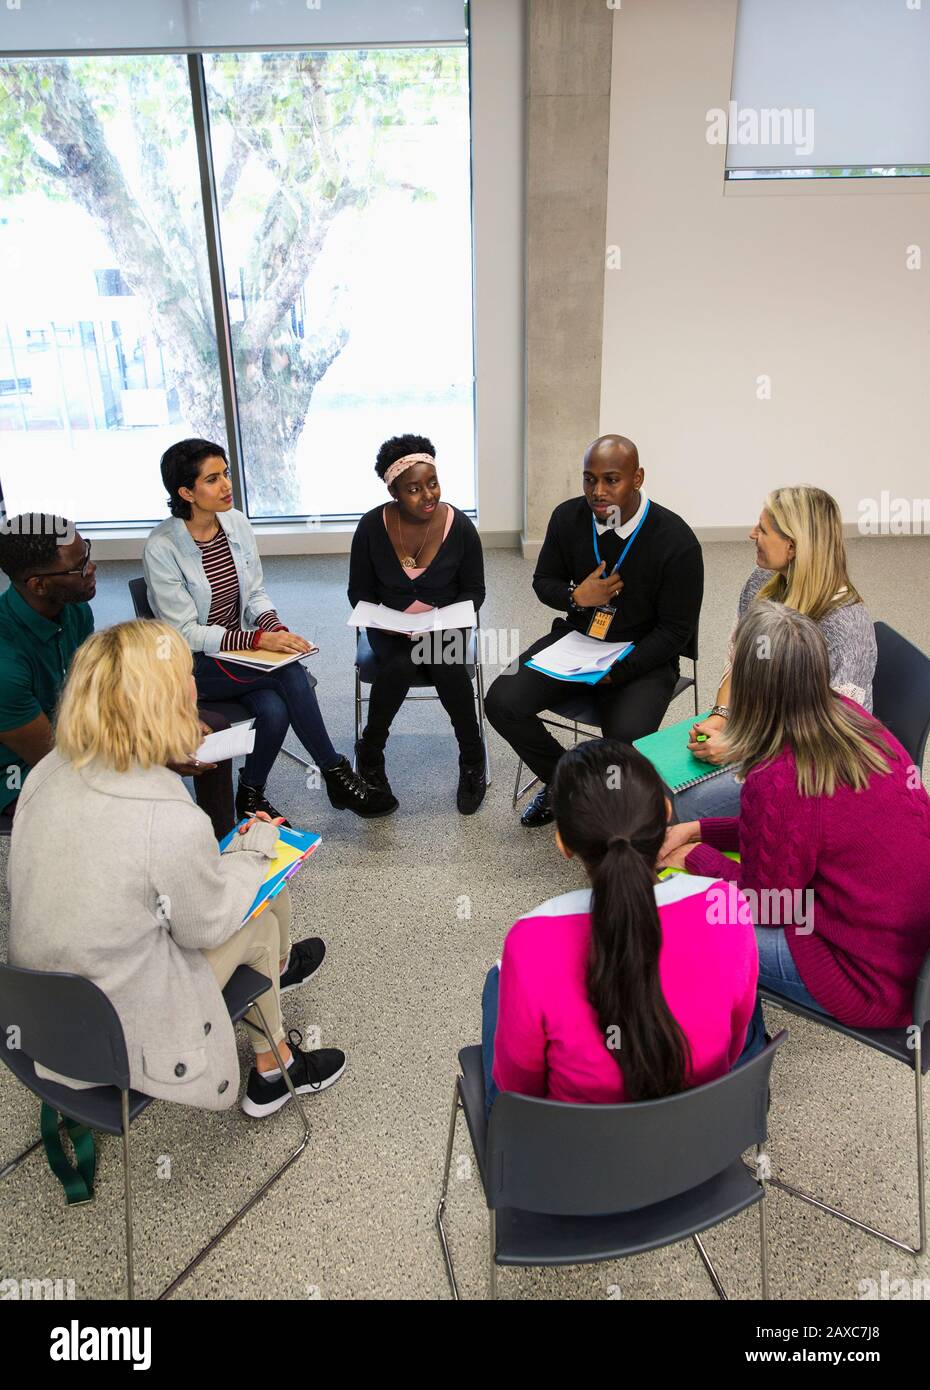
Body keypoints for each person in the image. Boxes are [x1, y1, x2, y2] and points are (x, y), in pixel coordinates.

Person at [7, 619, 345, 1118]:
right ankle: (275, 1069)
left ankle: (274, 977)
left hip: (37, 1011)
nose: (195, 684)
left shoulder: (47, 770)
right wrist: (254, 848)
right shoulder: (166, 819)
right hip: (116, 1030)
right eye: (186, 676)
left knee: (261, 891)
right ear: (162, 701)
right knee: (257, 912)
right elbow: (206, 922)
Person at [661, 601, 930, 1046]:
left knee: (689, 922)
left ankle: (741, 1058)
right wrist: (698, 830)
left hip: (871, 980)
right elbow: (794, 832)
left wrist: (698, 858)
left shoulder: (778, 778)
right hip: (909, 954)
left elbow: (771, 904)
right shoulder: (850, 713)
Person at [481, 740, 757, 1111]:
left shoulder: (531, 940)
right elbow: (734, 1048)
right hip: (704, 1144)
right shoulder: (727, 906)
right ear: (666, 811)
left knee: (496, 982)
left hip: (576, 1159)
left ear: (563, 843)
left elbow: (519, 1091)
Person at [143, 438, 396, 822]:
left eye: (225, 473)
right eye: (212, 479)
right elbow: (184, 633)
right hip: (194, 664)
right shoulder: (162, 547)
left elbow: (255, 593)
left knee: (274, 709)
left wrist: (273, 627)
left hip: (239, 654)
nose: (227, 485)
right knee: (289, 674)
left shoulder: (236, 523)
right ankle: (335, 773)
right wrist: (260, 641)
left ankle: (250, 796)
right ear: (185, 492)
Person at [485, 435, 703, 827]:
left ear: (638, 478)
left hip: (644, 657)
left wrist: (617, 670)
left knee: (624, 739)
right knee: (501, 701)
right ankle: (566, 785)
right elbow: (543, 581)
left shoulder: (676, 540)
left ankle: (605, 807)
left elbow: (675, 631)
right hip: (578, 643)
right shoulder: (567, 518)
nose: (597, 492)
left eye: (611, 480)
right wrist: (576, 597)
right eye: (589, 479)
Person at [0, 513, 234, 839]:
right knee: (136, 796)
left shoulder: (74, 609)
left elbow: (102, 688)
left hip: (80, 727)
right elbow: (57, 757)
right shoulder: (5, 665)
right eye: (80, 566)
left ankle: (217, 843)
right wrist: (153, 750)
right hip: (26, 773)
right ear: (39, 584)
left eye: (88, 553)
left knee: (210, 729)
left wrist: (168, 716)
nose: (92, 568)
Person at [676, 486, 877, 821]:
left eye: (763, 529)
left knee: (686, 805)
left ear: (793, 545)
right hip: (764, 732)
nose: (751, 534)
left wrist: (743, 746)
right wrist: (721, 716)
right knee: (662, 782)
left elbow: (830, 734)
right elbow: (737, 659)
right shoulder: (763, 581)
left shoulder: (845, 625)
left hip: (816, 761)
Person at [348, 434, 487, 813]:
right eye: (413, 489)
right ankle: (373, 756)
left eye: (433, 483)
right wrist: (386, 620)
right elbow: (358, 592)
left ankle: (471, 759)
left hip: (447, 625)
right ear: (394, 491)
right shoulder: (371, 527)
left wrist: (442, 620)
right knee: (403, 661)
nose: (428, 495)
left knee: (441, 658)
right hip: (390, 627)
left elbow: (474, 592)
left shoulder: (459, 527)